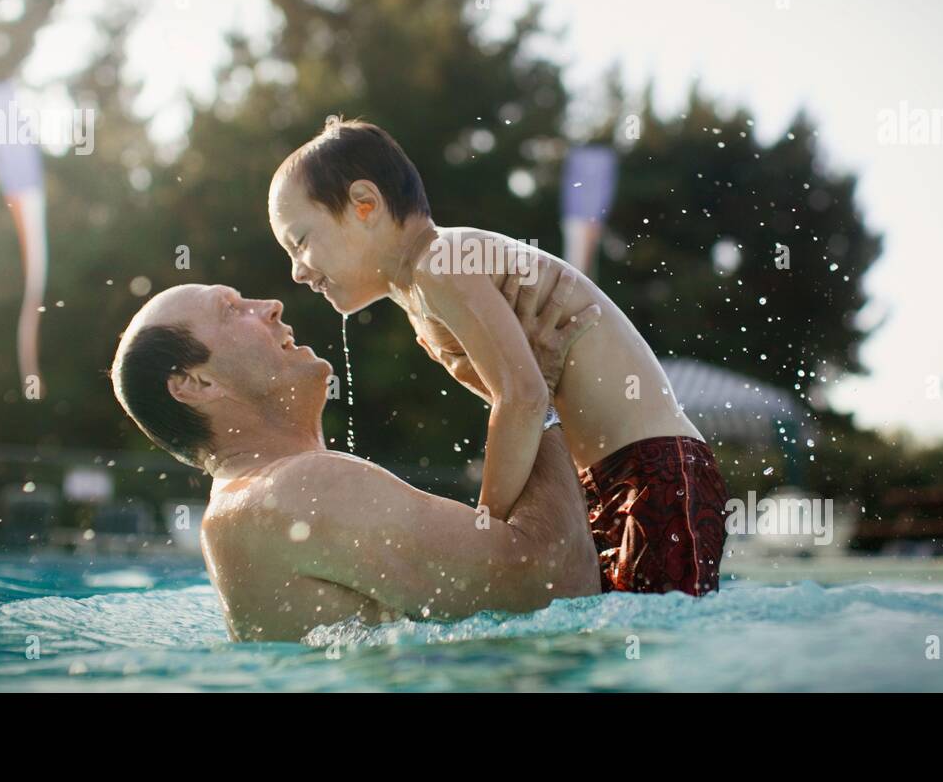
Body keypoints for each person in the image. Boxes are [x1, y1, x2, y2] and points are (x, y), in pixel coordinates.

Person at [268, 119, 729, 596]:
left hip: (654, 471)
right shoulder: (426, 292)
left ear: (365, 204)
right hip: (618, 476)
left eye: (300, 243)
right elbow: (527, 397)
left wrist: (486, 529)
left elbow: (525, 398)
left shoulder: (439, 262)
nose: (298, 272)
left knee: (653, 641)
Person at [110, 275, 601, 642]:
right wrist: (530, 390)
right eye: (232, 309)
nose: (272, 306)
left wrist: (516, 403)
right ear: (196, 384)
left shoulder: (251, 506)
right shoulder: (295, 490)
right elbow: (556, 584)